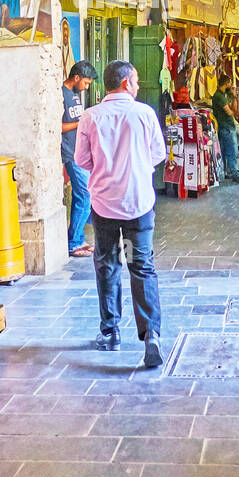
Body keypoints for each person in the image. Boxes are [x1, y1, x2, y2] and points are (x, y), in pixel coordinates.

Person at [75, 59, 167, 367]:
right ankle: (151, 333)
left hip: (104, 205)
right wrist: (136, 168)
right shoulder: (144, 114)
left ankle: (111, 331)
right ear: (126, 82)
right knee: (141, 265)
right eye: (137, 80)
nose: (139, 85)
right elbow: (158, 154)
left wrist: (107, 167)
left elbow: (82, 161)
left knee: (108, 263)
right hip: (138, 203)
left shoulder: (90, 117)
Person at [61, 60, 98, 258]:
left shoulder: (75, 95)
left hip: (79, 151)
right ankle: (74, 242)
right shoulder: (62, 95)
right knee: (85, 195)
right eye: (86, 83)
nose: (86, 87)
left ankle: (78, 238)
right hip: (69, 152)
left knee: (82, 195)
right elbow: (59, 126)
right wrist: (79, 123)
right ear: (76, 78)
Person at [211, 73, 239, 182]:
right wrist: (233, 112)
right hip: (226, 127)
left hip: (224, 126)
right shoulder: (219, 96)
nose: (231, 85)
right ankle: (235, 174)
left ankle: (227, 172)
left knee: (224, 151)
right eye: (230, 83)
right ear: (226, 83)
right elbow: (229, 111)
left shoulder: (221, 94)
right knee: (232, 151)